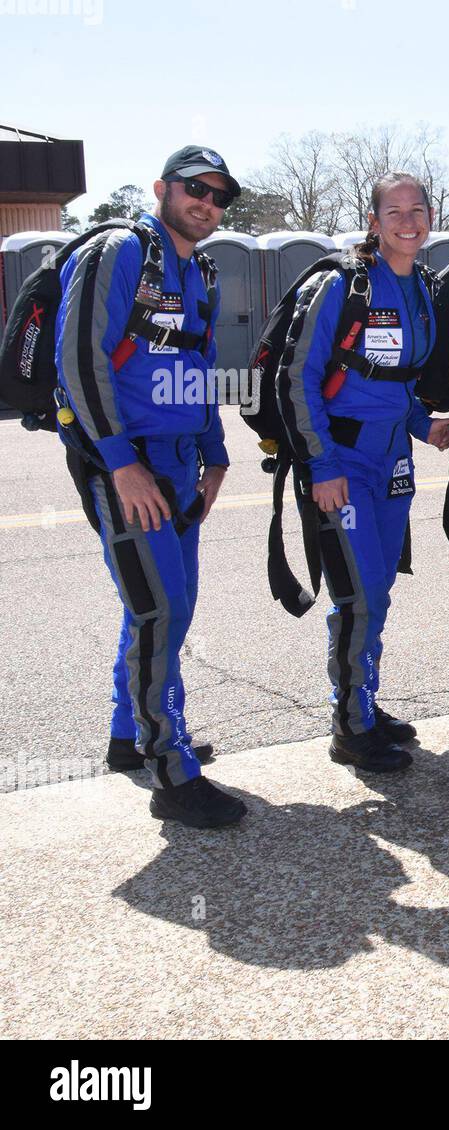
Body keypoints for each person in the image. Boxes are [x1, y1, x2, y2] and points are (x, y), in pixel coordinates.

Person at [53, 145, 243, 827]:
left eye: (221, 196)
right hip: (124, 464)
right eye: (196, 188)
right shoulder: (119, 250)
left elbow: (200, 363)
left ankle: (129, 737)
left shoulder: (199, 271)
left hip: (180, 464)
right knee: (160, 609)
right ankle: (171, 768)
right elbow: (78, 357)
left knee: (167, 607)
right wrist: (120, 462)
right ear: (163, 187)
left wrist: (216, 455)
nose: (208, 203)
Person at [277, 172, 449, 773]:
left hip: (393, 464)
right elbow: (296, 377)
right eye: (394, 212)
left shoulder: (423, 288)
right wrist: (321, 465)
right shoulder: (341, 285)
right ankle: (349, 726)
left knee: (378, 588)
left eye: (417, 210)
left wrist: (423, 423)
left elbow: (396, 382)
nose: (408, 221)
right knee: (358, 594)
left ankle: (365, 704)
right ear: (373, 222)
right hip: (342, 465)